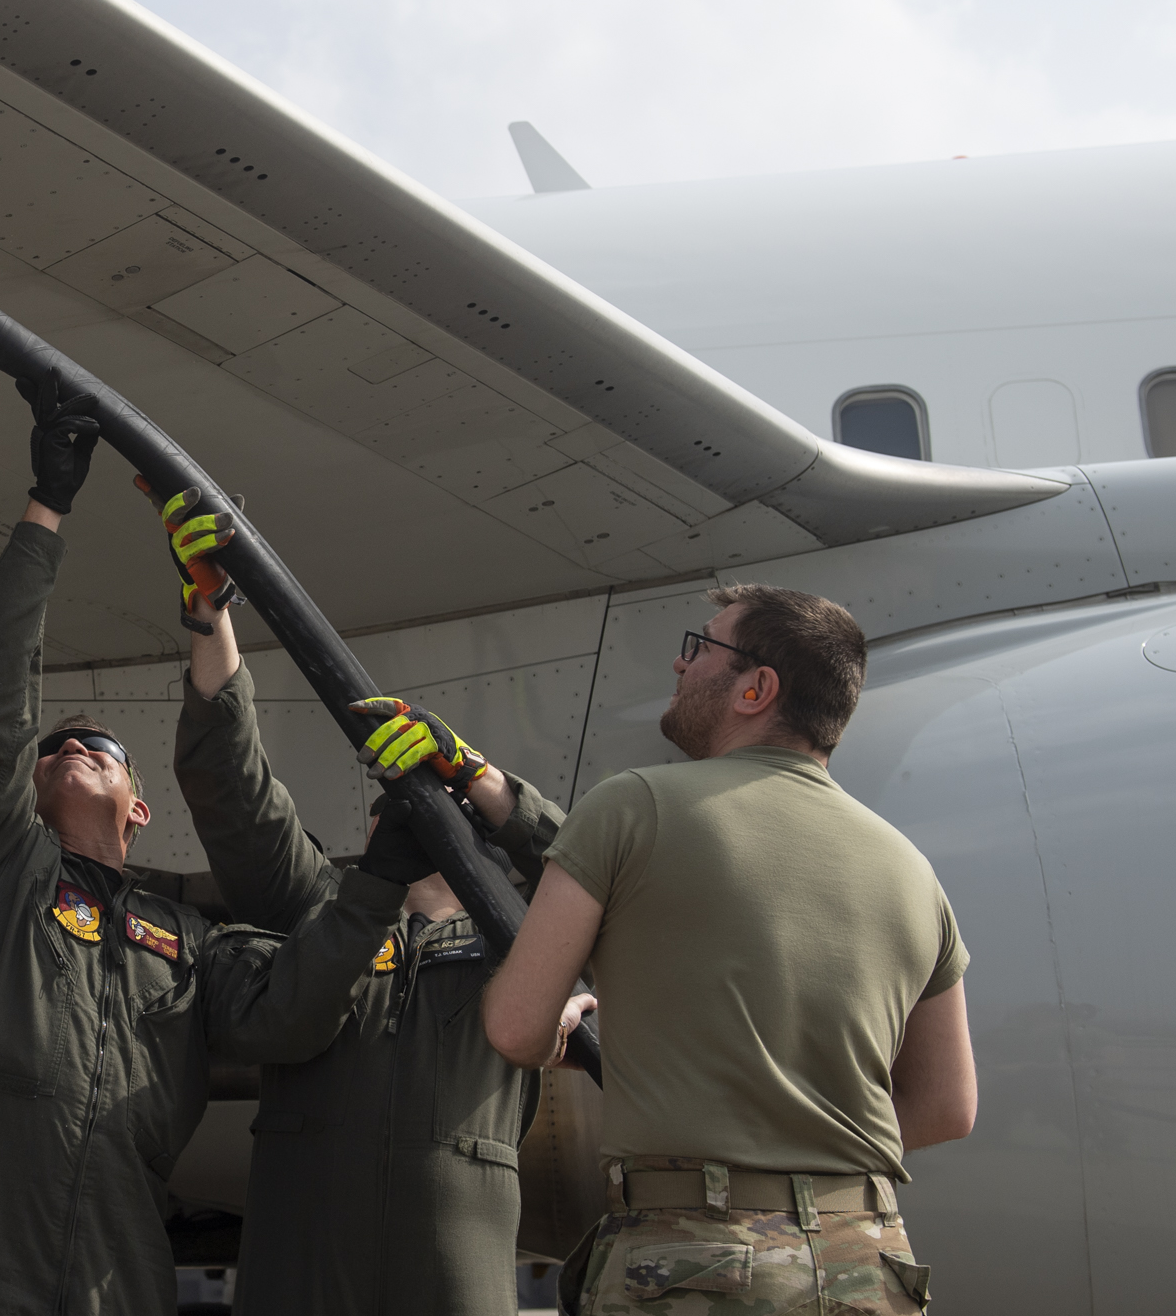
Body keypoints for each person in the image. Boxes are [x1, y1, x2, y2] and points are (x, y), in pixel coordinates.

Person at [482, 585, 977, 1316]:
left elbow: (516, 1029)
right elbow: (947, 1106)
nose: (681, 664)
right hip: (869, 1264)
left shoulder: (631, 805)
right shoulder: (912, 869)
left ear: (756, 687)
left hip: (695, 1262)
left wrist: (563, 1023)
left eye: (702, 645)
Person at [157, 488, 587, 1316]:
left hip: (453, 1279)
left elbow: (597, 872)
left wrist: (482, 777)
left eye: (437, 797)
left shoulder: (525, 940)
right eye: (399, 796)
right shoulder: (316, 904)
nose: (415, 810)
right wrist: (209, 614)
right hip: (305, 1274)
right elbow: (230, 787)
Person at [0, 377, 224, 1314]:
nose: (75, 747)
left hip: (116, 1271)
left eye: (104, 748)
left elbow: (305, 995)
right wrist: (47, 510)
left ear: (140, 808)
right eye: (54, 749)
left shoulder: (187, 941)